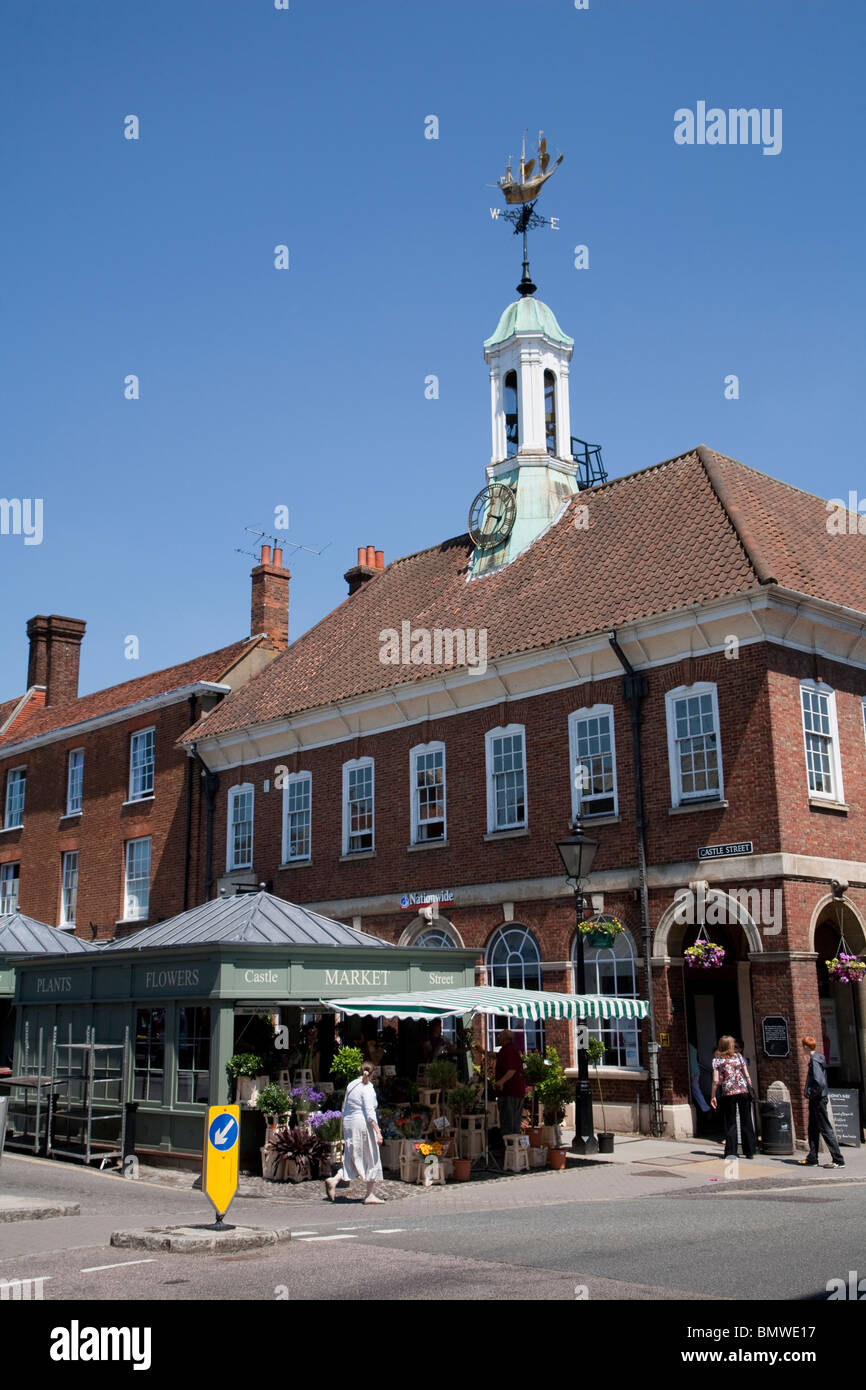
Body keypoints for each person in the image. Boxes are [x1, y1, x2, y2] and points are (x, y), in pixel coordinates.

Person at [325, 1061, 385, 1203]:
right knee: (372, 1155)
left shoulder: (352, 1084)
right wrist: (378, 1132)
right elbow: (370, 1113)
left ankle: (334, 1180)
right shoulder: (368, 1088)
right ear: (372, 1074)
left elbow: (345, 1106)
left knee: (351, 1156)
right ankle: (370, 1194)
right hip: (362, 1124)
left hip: (349, 1123)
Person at [798, 1035, 844, 1168]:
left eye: (803, 1046)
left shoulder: (814, 1061)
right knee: (812, 1128)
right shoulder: (819, 1058)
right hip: (817, 1099)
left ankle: (838, 1160)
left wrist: (811, 1093)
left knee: (825, 1129)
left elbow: (819, 1081)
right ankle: (812, 1158)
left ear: (806, 1047)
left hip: (818, 1099)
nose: (803, 1049)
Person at [710, 1035, 757, 1159]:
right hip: (743, 1090)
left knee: (731, 1122)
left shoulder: (717, 1060)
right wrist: (750, 1087)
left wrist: (713, 1096)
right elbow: (746, 1074)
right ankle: (750, 1150)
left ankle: (731, 1151)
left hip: (729, 1092)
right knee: (746, 1119)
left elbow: (716, 1081)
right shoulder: (739, 1057)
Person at [493, 1029, 526, 1135]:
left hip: (510, 1091)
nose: (498, 1036)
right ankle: (514, 1146)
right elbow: (496, 1055)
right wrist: (482, 1051)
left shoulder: (508, 1051)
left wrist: (501, 1082)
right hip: (515, 1091)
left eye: (500, 1035)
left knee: (508, 1122)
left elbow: (512, 1070)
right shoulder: (507, 1050)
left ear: (505, 1038)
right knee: (514, 1121)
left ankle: (510, 1147)